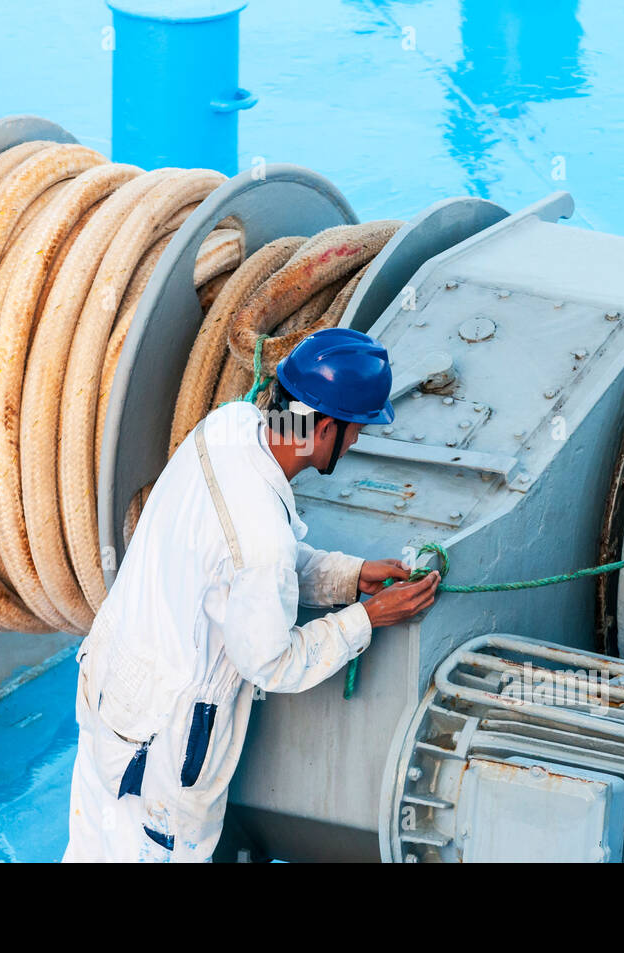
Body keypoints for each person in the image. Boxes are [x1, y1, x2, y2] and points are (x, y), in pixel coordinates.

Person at [62, 327, 440, 862]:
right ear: (325, 428)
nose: (355, 444)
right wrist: (367, 618)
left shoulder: (230, 426)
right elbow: (273, 663)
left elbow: (245, 567)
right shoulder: (258, 537)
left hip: (114, 684)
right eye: (355, 431)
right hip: (164, 746)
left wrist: (348, 575)